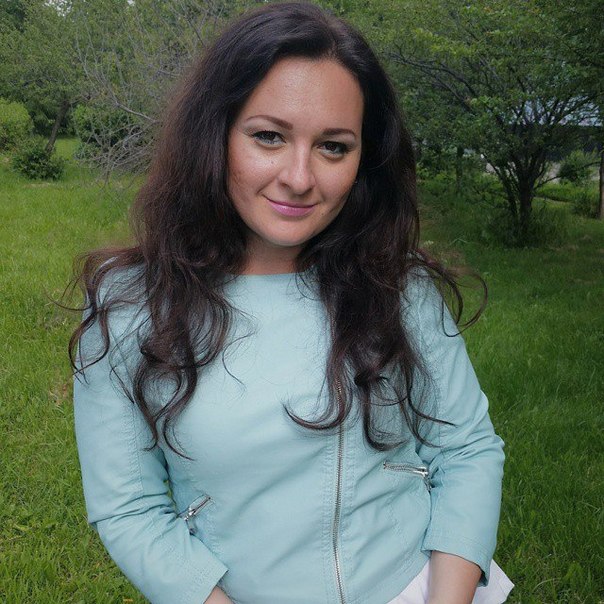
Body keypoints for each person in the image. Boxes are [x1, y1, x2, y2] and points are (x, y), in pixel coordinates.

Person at [70, 3, 514, 603]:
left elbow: (466, 448)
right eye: (269, 137)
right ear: (215, 135)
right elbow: (130, 507)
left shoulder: (397, 284)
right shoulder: (129, 308)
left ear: (363, 160)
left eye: (333, 146)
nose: (300, 178)